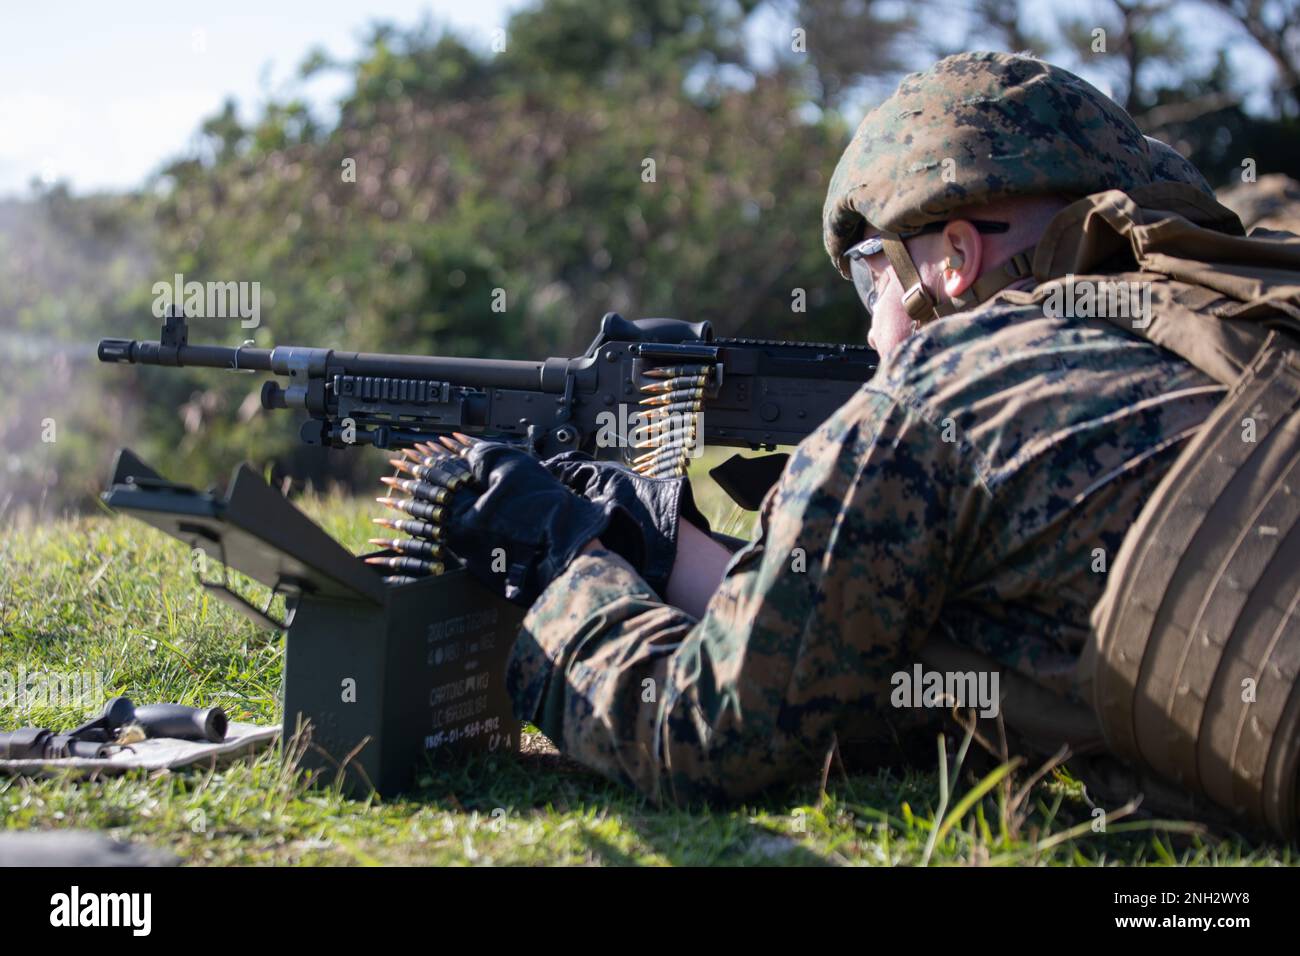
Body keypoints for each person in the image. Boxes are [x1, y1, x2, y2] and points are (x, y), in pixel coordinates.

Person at [403, 52, 1300, 832]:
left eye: (873, 273)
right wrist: (675, 556)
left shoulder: (943, 398)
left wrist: (566, 562)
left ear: (952, 259)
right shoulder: (1253, 308)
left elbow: (699, 737)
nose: (873, 326)